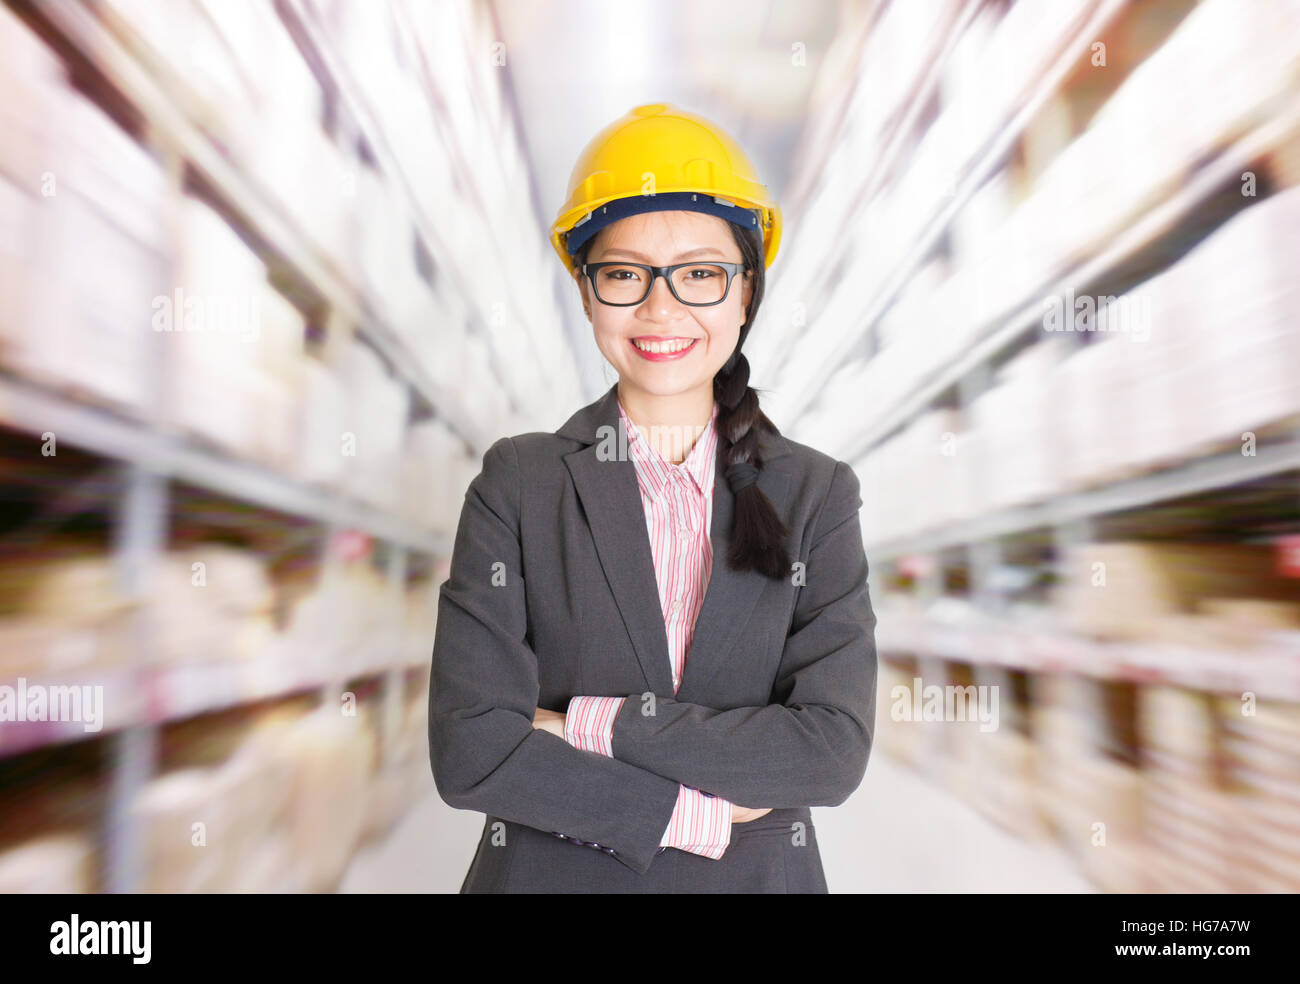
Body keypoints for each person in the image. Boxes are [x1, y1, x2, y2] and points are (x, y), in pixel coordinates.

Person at [429, 103, 878, 893]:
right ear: (586, 292)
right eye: (624, 273)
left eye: (700, 274)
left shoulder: (815, 495)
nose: (661, 308)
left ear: (745, 294)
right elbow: (472, 748)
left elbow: (829, 750)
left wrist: (580, 724)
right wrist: (696, 813)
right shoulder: (520, 483)